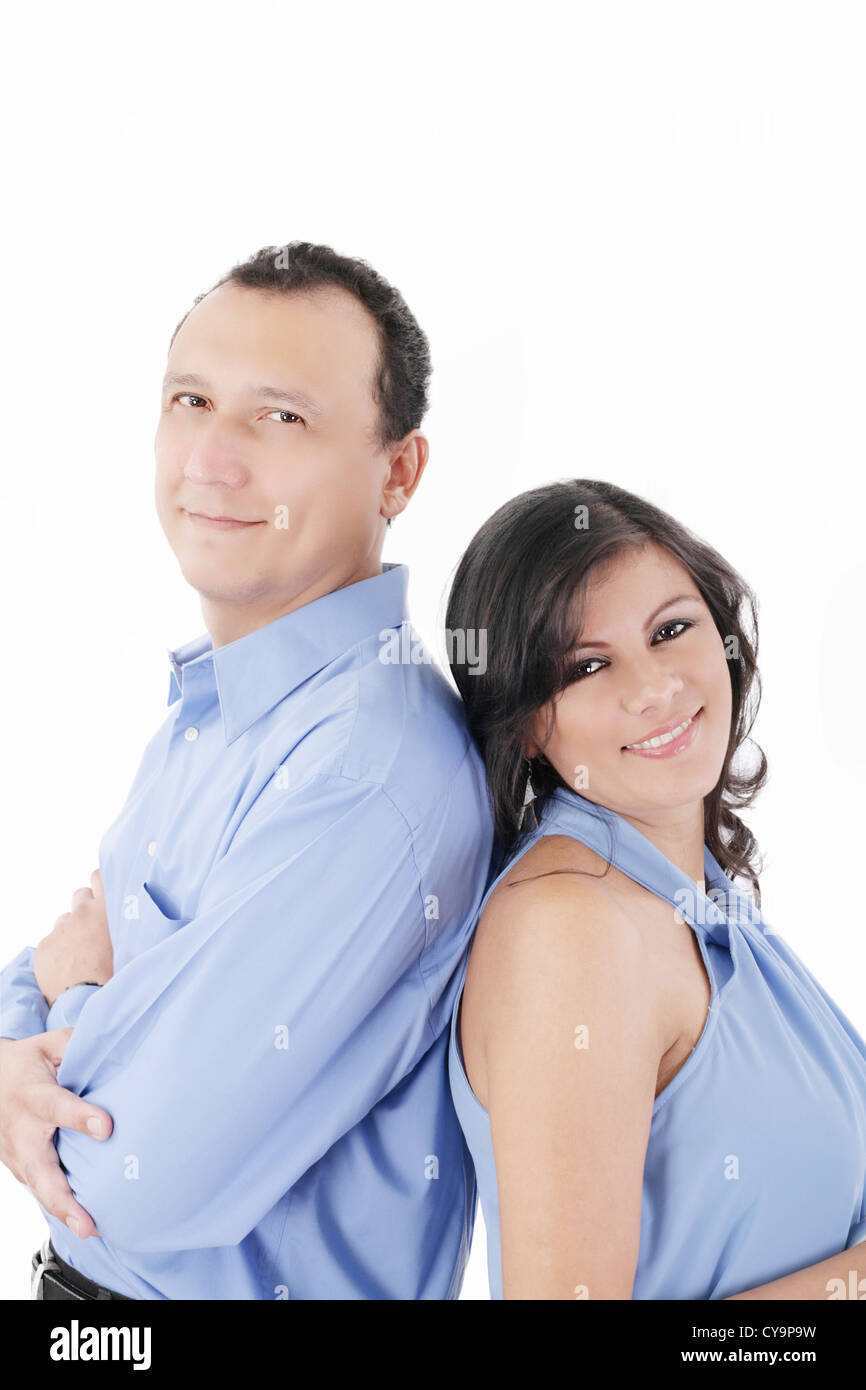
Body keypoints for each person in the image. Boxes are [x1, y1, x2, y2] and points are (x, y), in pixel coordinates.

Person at [0, 241, 494, 1300]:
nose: (212, 460)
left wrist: (68, 994)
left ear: (398, 471)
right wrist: (34, 1033)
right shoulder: (218, 706)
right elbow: (39, 971)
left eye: (280, 417)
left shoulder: (369, 773)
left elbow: (121, 1176)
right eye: (190, 400)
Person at [444, 478, 866, 1300]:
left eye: (671, 629)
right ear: (528, 721)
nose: (654, 687)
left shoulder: (696, 898)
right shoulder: (568, 931)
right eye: (588, 665)